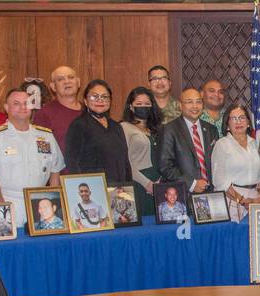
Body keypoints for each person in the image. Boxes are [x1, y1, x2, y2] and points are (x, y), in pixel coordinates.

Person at [0, 88, 65, 227]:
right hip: (7, 202)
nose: (23, 107)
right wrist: (3, 209)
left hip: (40, 207)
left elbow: (56, 170)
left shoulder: (46, 136)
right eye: (16, 103)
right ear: (6, 107)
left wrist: (51, 200)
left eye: (27, 103)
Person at [65, 80, 132, 186]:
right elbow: (71, 162)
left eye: (105, 97)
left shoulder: (116, 126)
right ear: (85, 101)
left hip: (119, 190)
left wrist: (128, 187)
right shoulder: (78, 125)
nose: (100, 100)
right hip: (93, 189)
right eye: (94, 96)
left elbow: (125, 162)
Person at [157, 87, 218, 193]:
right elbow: (165, 166)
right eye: (189, 102)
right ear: (181, 105)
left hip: (211, 193)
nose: (195, 106)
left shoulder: (211, 129)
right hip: (183, 193)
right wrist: (191, 183)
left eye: (198, 102)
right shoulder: (169, 129)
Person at [211, 104, 260, 221]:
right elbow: (219, 181)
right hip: (232, 201)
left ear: (248, 123)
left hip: (255, 201)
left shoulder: (255, 144)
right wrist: (242, 200)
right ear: (227, 125)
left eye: (242, 117)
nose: (238, 122)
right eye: (233, 118)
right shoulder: (222, 145)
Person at [119, 86, 161, 215]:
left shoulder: (156, 128)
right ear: (131, 107)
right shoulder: (124, 127)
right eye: (139, 104)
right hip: (139, 184)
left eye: (147, 104)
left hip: (159, 183)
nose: (143, 107)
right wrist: (147, 184)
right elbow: (124, 162)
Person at [33, 65, 83, 152]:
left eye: (71, 77)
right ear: (53, 86)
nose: (67, 81)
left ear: (78, 82)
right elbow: (43, 152)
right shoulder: (43, 115)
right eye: (60, 79)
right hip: (61, 166)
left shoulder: (90, 111)